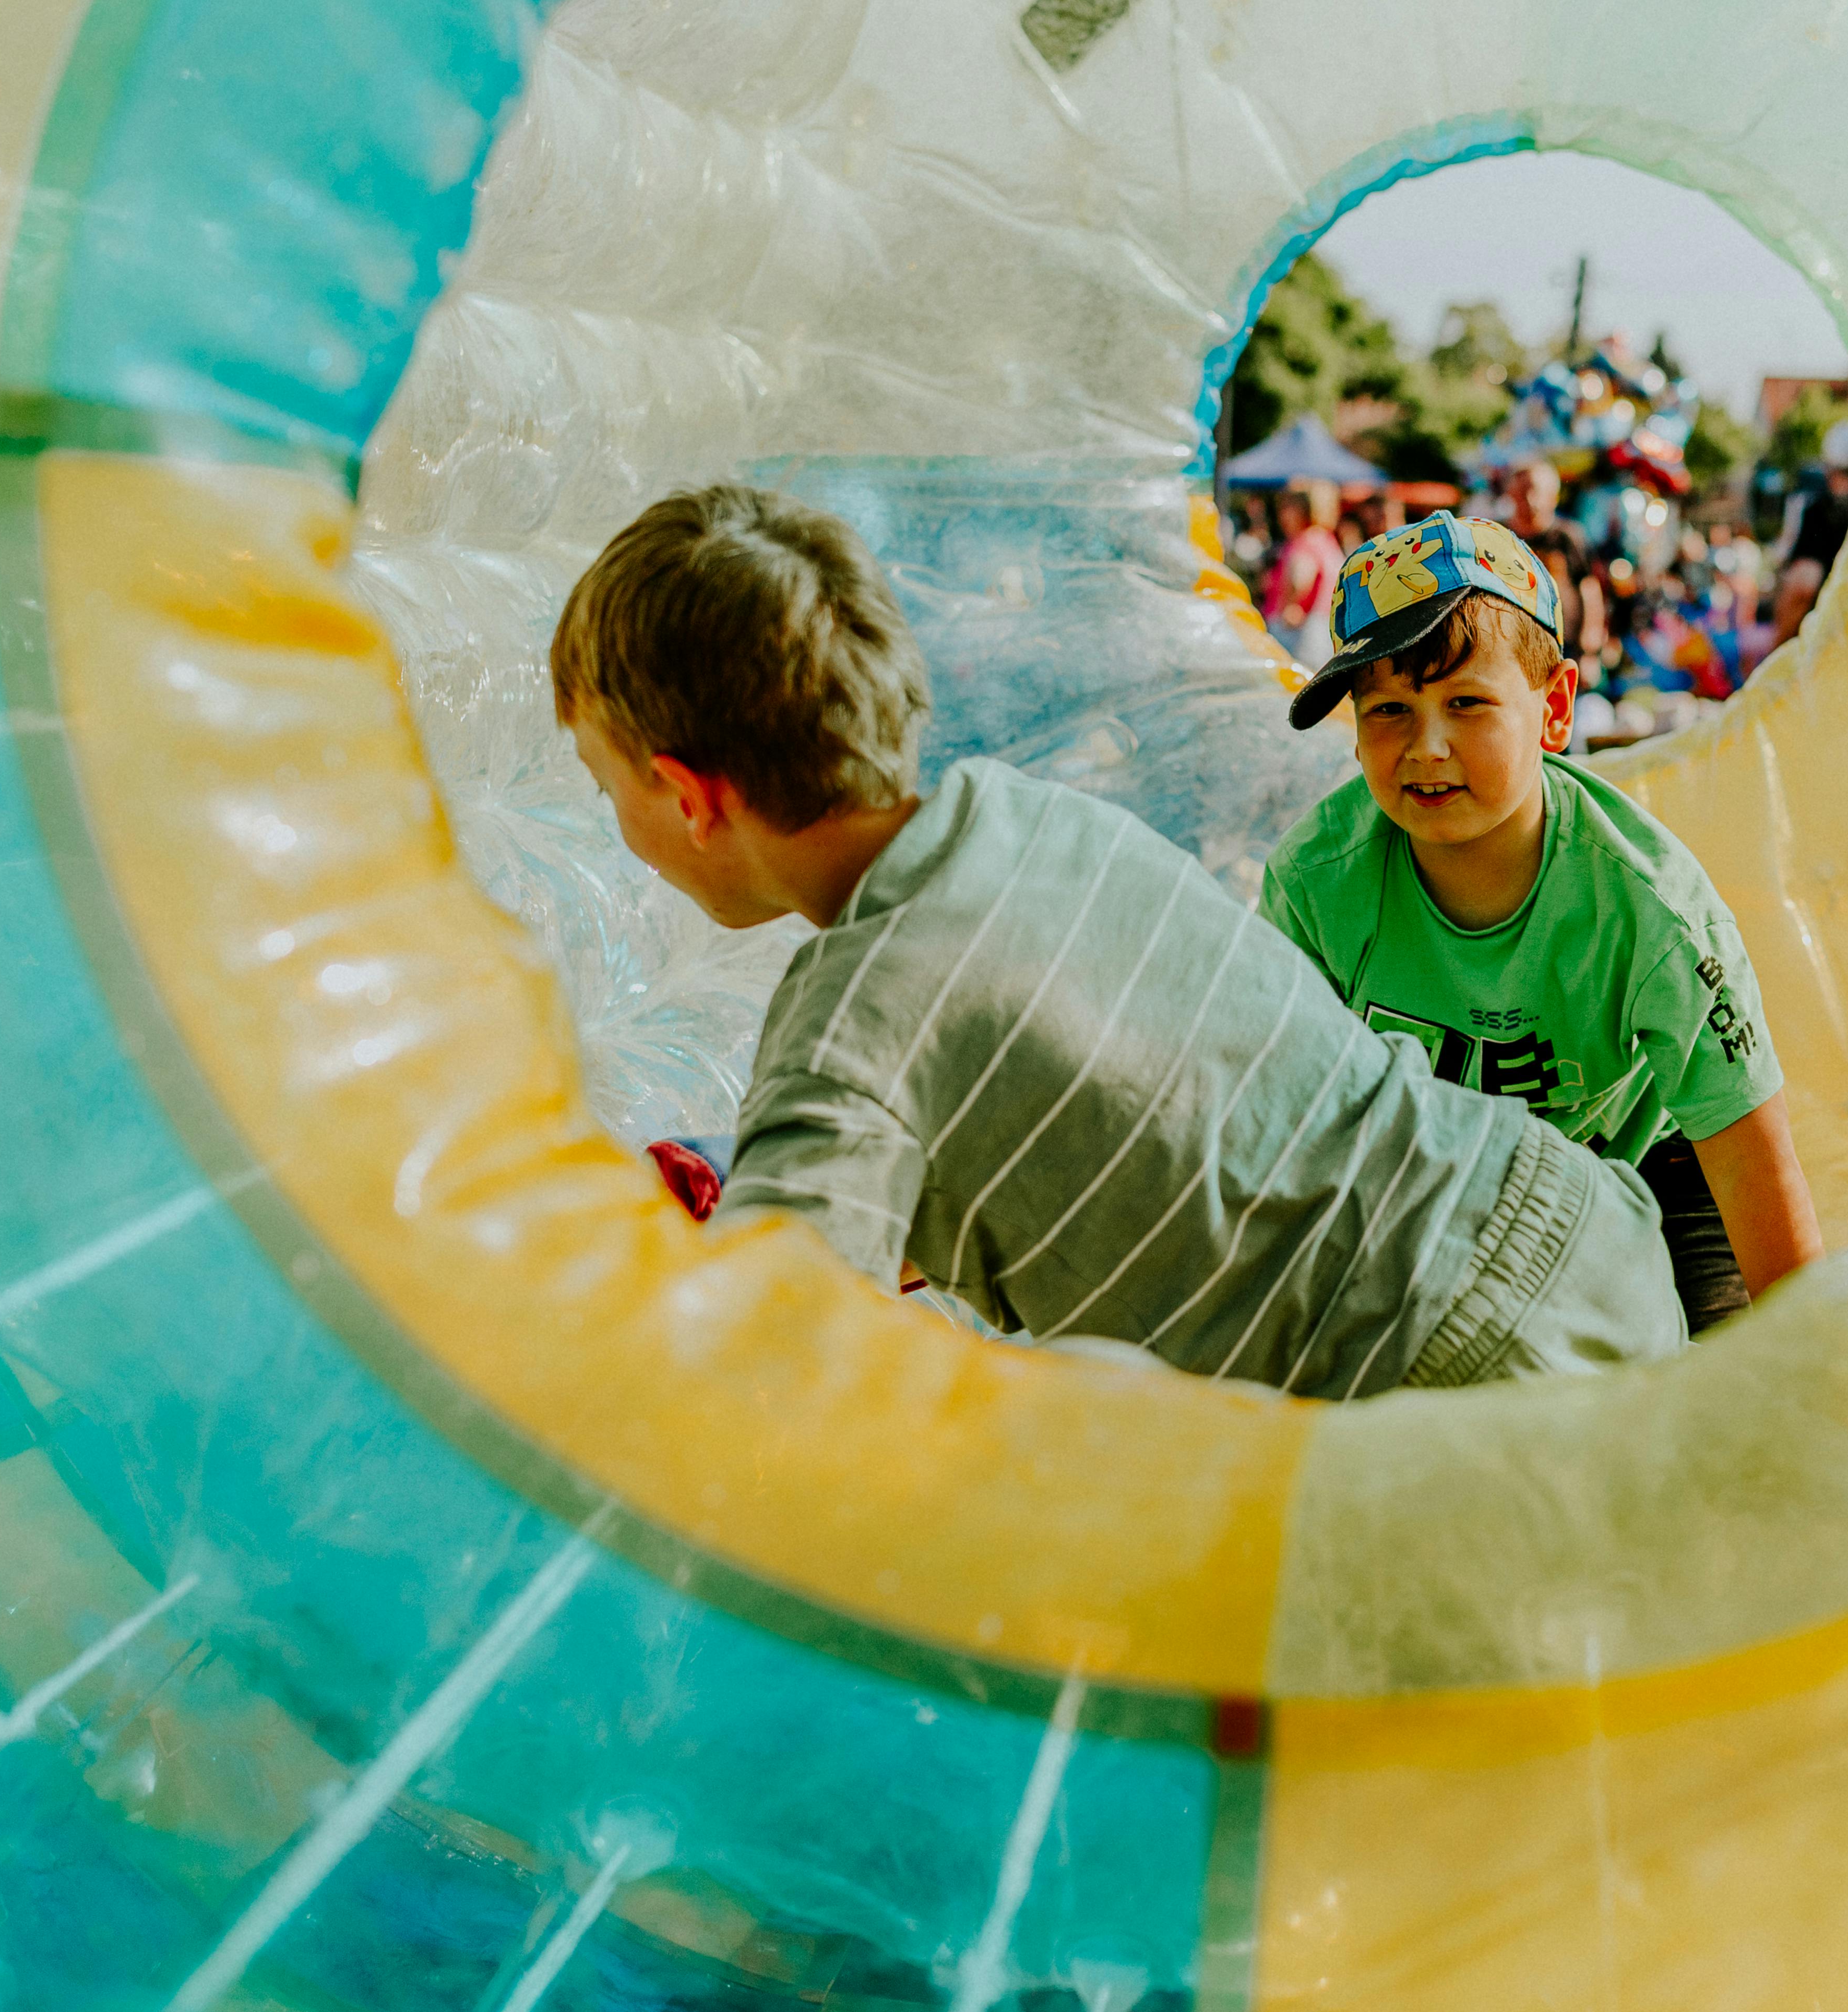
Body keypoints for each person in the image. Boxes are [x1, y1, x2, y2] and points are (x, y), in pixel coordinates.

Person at [553, 484, 1686, 1397]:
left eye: (606, 787)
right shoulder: (1035, 823)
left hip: (1430, 1375)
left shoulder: (846, 1025)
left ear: (685, 794)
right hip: (1571, 1223)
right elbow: (1106, 1147)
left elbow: (759, 1379)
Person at [1260, 512, 1824, 1333]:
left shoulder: (1649, 905)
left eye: (1466, 702)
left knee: (1727, 1374)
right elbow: (1278, 1125)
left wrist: (1811, 1363)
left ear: (1556, 706)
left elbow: (1748, 1157)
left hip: (1647, 1169)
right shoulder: (1316, 884)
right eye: (1387, 710)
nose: (1428, 747)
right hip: (1434, 1181)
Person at [1770, 416, 1848, 648]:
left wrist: (1777, 650)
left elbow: (1803, 584)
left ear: (1830, 470)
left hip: (1826, 646)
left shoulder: (1821, 511)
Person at [1500, 460, 1606, 667]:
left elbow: (1589, 588)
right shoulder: (1499, 535)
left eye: (1536, 491)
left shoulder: (1567, 537)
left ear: (1553, 497)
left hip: (1563, 646)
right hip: (1512, 646)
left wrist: (1590, 647)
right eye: (1522, 491)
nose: (1530, 499)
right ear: (1510, 494)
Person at [1260, 483, 1344, 672]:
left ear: (1302, 509)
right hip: (1325, 629)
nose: (1281, 515)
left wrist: (1292, 605)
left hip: (1299, 634)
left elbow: (1301, 577)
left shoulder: (1304, 542)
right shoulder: (1326, 540)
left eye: (1287, 507)